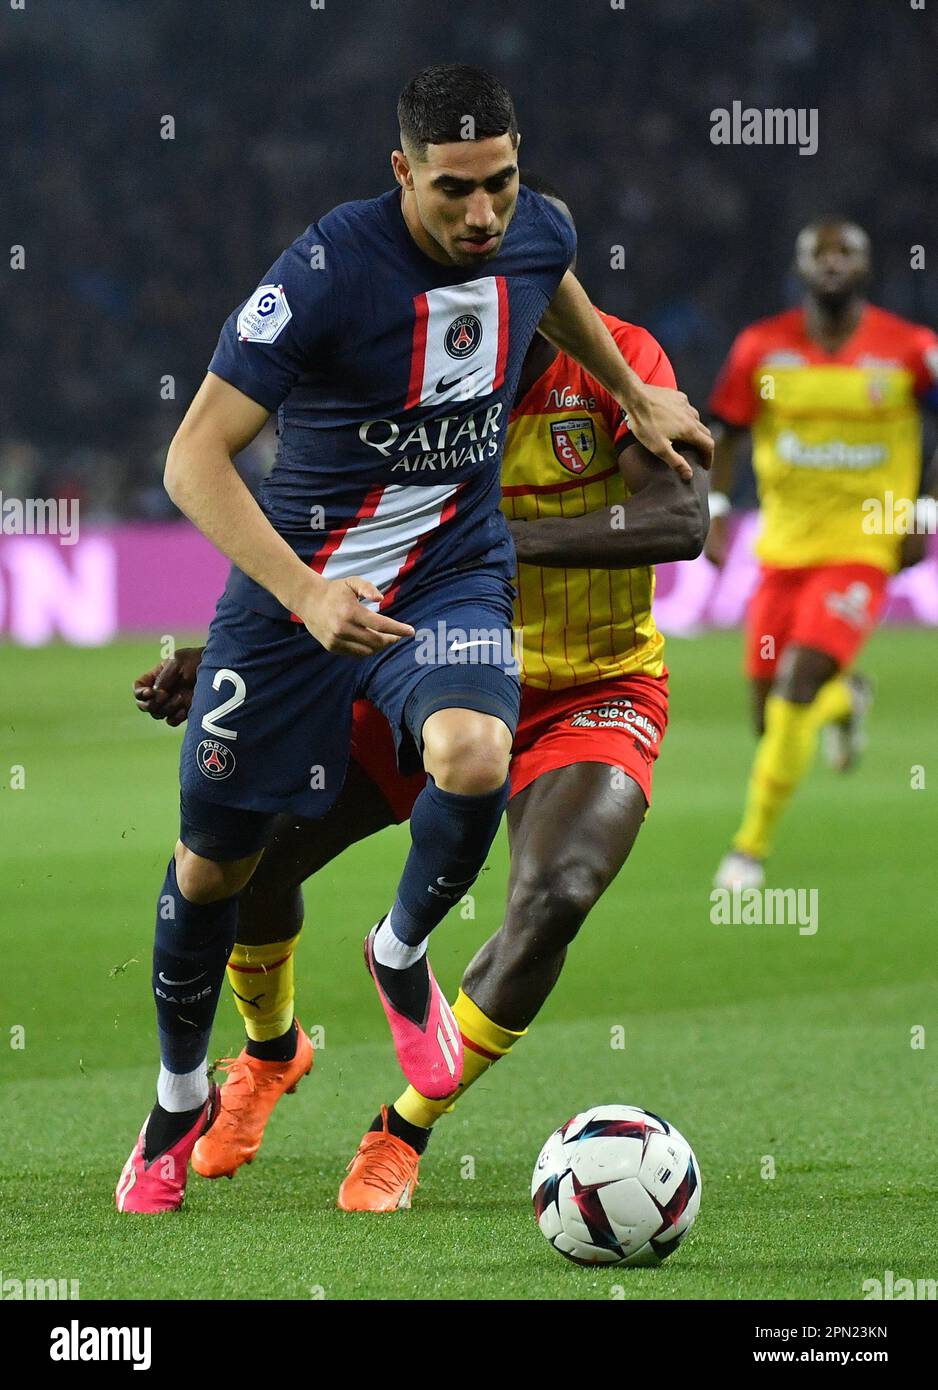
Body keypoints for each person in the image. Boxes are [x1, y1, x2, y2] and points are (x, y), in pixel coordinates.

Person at [116, 66, 712, 1214]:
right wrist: (252, 627)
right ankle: (240, 1065)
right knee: (236, 866)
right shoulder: (352, 286)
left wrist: (622, 410)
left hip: (549, 664)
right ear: (404, 177)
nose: (484, 221)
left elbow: (680, 514)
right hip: (368, 619)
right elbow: (239, 471)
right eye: (456, 194)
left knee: (548, 876)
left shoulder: (568, 291)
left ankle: (404, 1110)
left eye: (502, 190)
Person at [706, 220, 938, 890]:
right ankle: (847, 702)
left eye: (847, 254)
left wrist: (925, 508)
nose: (833, 264)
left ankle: (748, 849)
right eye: (820, 254)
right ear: (801, 268)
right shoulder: (762, 349)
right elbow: (729, 432)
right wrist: (717, 511)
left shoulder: (910, 349)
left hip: (864, 545)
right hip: (781, 550)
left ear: (867, 269)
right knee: (767, 712)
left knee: (795, 684)